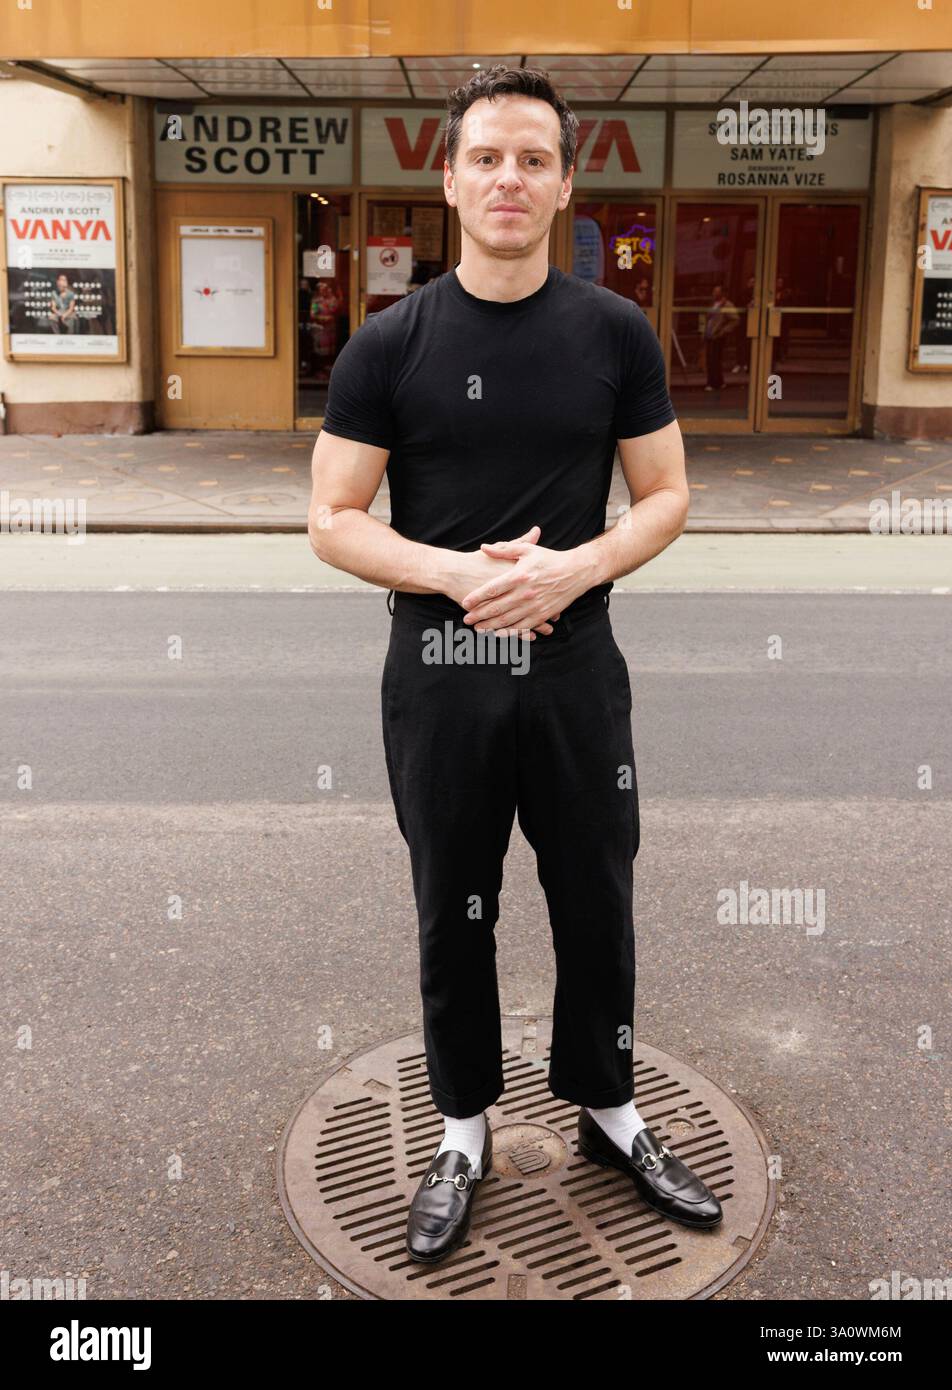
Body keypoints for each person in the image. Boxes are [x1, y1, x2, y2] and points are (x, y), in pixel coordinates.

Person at [308, 64, 723, 1264]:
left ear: (562, 186)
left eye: (532, 158)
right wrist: (455, 574)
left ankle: (608, 1106)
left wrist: (572, 569)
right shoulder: (388, 344)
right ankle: (460, 1124)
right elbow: (334, 517)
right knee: (455, 904)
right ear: (449, 180)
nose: (508, 177)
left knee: (596, 891)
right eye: (486, 156)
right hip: (438, 672)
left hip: (577, 665)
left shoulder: (612, 331)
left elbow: (667, 494)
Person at [703, 284, 739, 391]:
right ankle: (718, 382)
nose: (714, 293)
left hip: (717, 336)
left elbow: (735, 319)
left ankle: (713, 383)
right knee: (711, 360)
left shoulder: (727, 305)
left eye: (716, 291)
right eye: (714, 291)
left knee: (714, 360)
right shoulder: (713, 304)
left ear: (721, 293)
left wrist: (724, 331)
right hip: (710, 335)